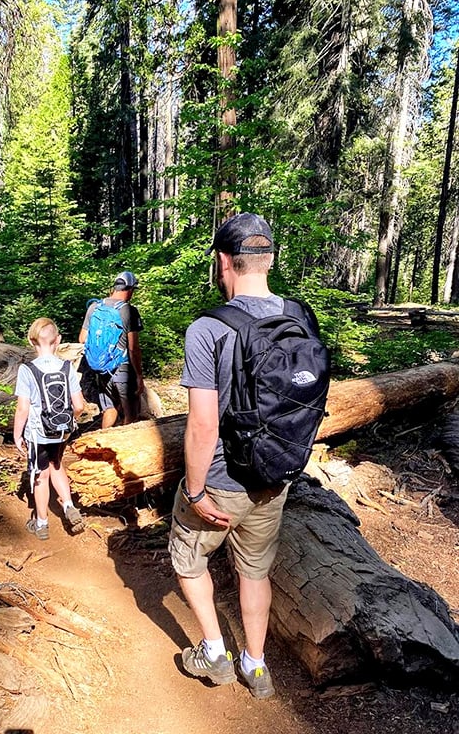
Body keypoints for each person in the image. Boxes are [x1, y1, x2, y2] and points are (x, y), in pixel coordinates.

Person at [169, 212, 292, 700]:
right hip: (274, 478)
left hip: (219, 480)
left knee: (187, 560)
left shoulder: (207, 329)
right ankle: (256, 665)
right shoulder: (297, 318)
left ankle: (215, 651)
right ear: (270, 259)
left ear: (225, 262)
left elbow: (203, 423)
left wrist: (195, 490)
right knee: (254, 571)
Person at [13, 318, 86, 539]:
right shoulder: (67, 367)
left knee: (40, 476)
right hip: (62, 429)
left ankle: (42, 524)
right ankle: (68, 506)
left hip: (37, 432)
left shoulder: (27, 370)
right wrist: (68, 421)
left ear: (31, 341)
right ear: (58, 340)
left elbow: (22, 408)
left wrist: (17, 434)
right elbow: (80, 405)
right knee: (57, 465)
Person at [78, 271, 144, 428]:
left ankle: (101, 447)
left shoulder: (95, 307)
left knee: (109, 408)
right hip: (123, 369)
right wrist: (139, 376)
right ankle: (125, 449)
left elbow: (82, 338)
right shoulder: (129, 310)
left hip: (101, 370)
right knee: (131, 415)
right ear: (130, 289)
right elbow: (133, 348)